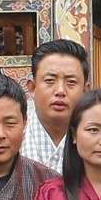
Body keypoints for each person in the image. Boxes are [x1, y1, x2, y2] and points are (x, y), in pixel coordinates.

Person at [23, 39, 91, 172]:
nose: (60, 91)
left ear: (85, 91)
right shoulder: (12, 138)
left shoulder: (99, 143)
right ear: (32, 87)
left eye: (71, 82)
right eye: (50, 80)